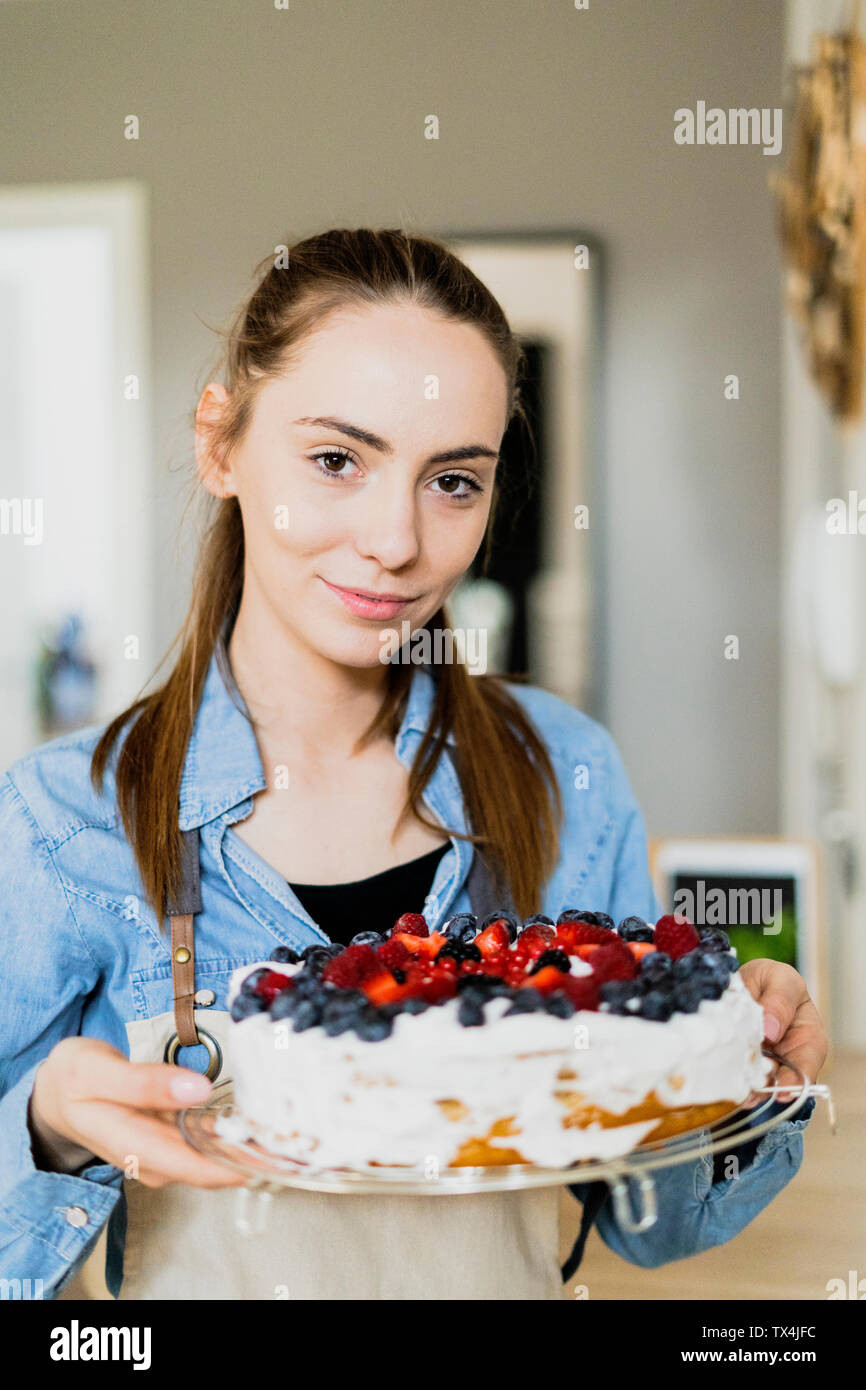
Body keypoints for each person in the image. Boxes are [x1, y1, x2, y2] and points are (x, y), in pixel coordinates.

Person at [0, 228, 826, 1301]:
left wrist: (739, 1073)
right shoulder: (62, 819)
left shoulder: (561, 772)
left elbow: (648, 1219)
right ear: (221, 443)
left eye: (451, 482)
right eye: (337, 459)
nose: (394, 540)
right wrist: (44, 1127)